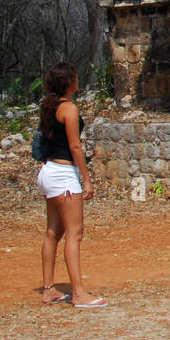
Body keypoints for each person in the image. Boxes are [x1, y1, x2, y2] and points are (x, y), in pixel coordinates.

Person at [36, 62, 107, 308]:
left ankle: (49, 289)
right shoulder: (69, 109)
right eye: (75, 77)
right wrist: (86, 179)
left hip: (48, 172)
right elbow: (75, 146)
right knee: (75, 234)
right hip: (64, 174)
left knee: (53, 232)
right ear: (69, 83)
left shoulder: (49, 106)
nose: (78, 81)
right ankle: (78, 293)